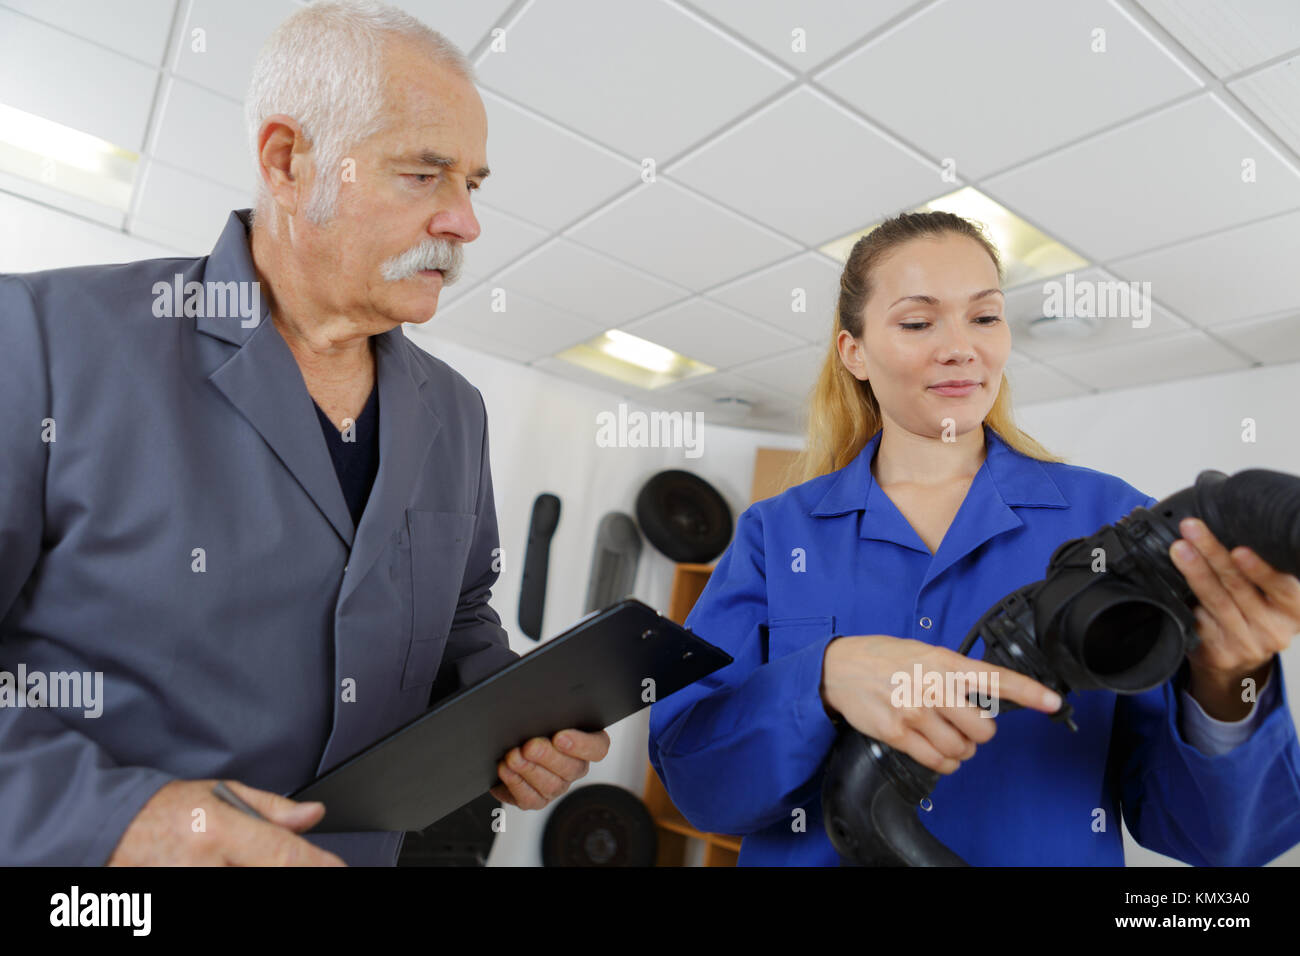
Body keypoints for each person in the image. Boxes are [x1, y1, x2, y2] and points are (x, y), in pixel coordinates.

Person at [0, 0, 607, 866]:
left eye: (471, 184)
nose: (465, 222)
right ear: (288, 162)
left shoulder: (457, 411)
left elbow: (462, 616)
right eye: (424, 174)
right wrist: (115, 819)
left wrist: (507, 716)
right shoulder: (42, 338)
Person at [648, 210, 1300, 866]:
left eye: (984, 317)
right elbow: (700, 788)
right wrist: (824, 677)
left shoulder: (1109, 517)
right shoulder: (774, 536)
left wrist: (1228, 686)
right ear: (855, 352)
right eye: (917, 321)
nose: (961, 346)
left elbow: (1219, 842)